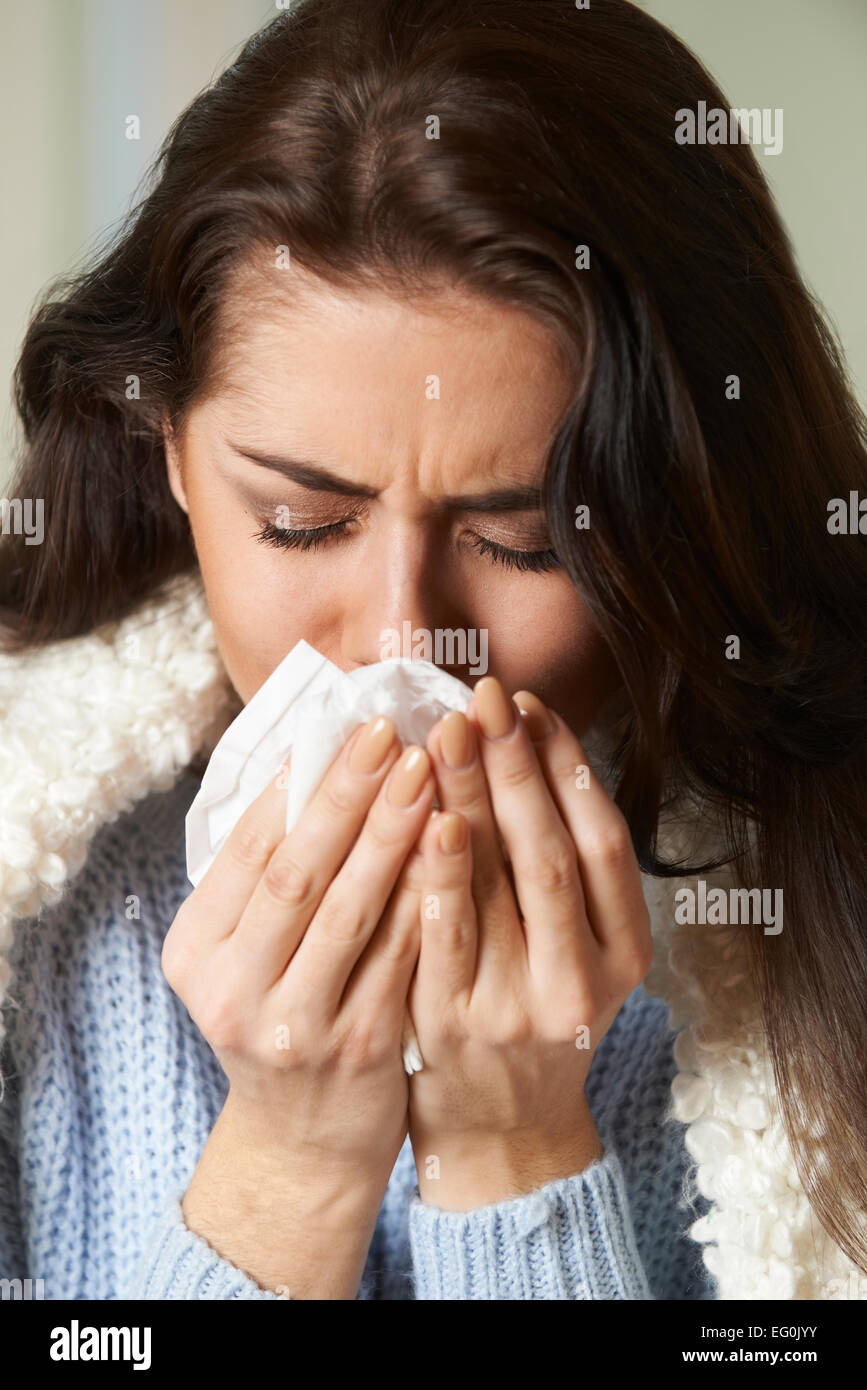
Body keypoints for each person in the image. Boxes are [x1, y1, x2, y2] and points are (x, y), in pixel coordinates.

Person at [0, 0, 864, 1301]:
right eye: (302, 521)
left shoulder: (818, 924)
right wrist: (288, 1168)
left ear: (679, 501)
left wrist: (519, 1156)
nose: (409, 638)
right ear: (167, 446)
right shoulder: (37, 901)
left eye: (522, 542)